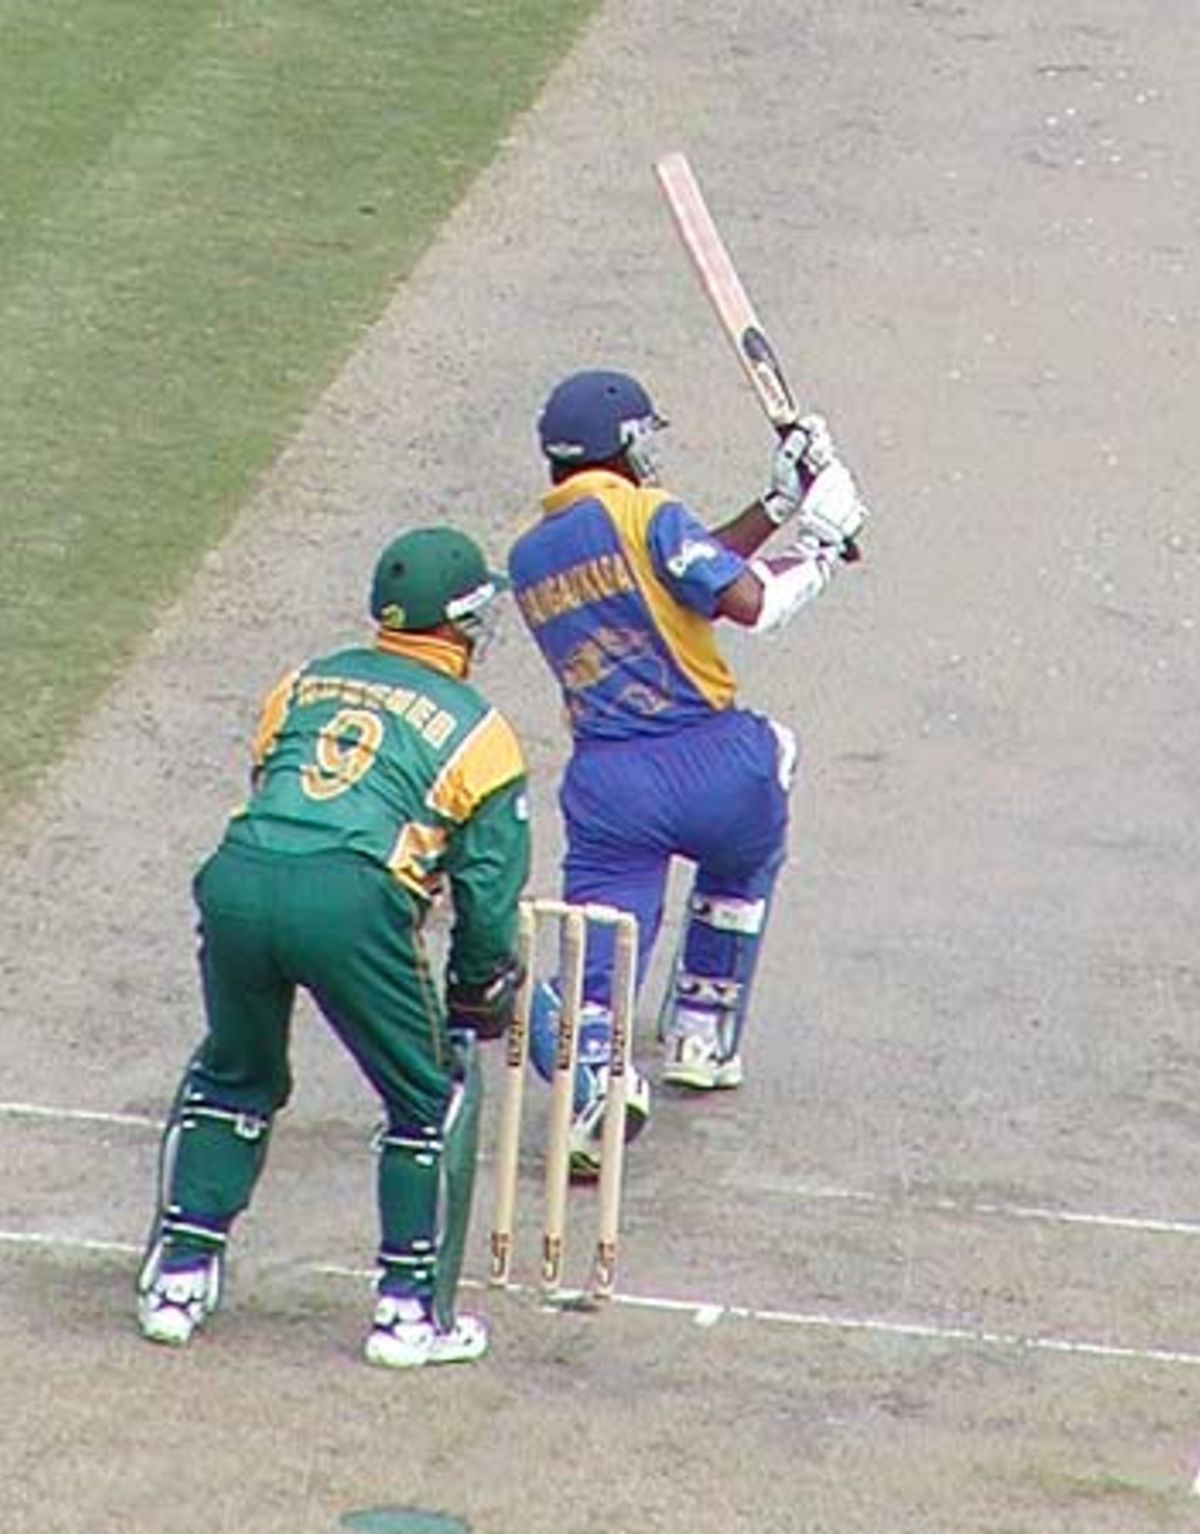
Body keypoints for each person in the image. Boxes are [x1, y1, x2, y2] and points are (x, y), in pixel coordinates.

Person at [136, 526, 530, 1369]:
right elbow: (488, 890)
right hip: (351, 898)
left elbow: (271, 785)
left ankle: (179, 1277)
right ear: (459, 620)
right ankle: (408, 1312)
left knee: (235, 1073)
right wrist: (475, 986)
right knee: (430, 1097)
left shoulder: (301, 681)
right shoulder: (481, 731)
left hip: (240, 874)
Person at [507, 368, 867, 1169]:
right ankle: (702, 1033)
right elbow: (751, 604)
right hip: (714, 765)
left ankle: (595, 1078)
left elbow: (682, 581)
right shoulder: (649, 513)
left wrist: (774, 507)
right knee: (762, 797)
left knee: (597, 958)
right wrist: (822, 543)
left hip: (609, 789)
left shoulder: (531, 556)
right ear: (627, 442)